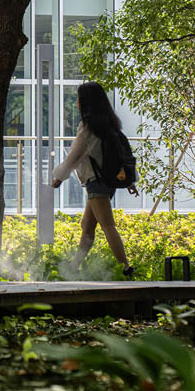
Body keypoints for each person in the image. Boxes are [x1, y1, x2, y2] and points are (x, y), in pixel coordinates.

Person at [51, 82, 134, 278]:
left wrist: (59, 177)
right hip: (106, 182)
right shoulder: (110, 125)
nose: (77, 103)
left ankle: (126, 268)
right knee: (87, 227)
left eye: (78, 99)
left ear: (85, 102)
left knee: (108, 225)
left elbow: (74, 156)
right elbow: (117, 156)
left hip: (96, 182)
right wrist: (128, 182)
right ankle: (72, 267)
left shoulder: (88, 128)